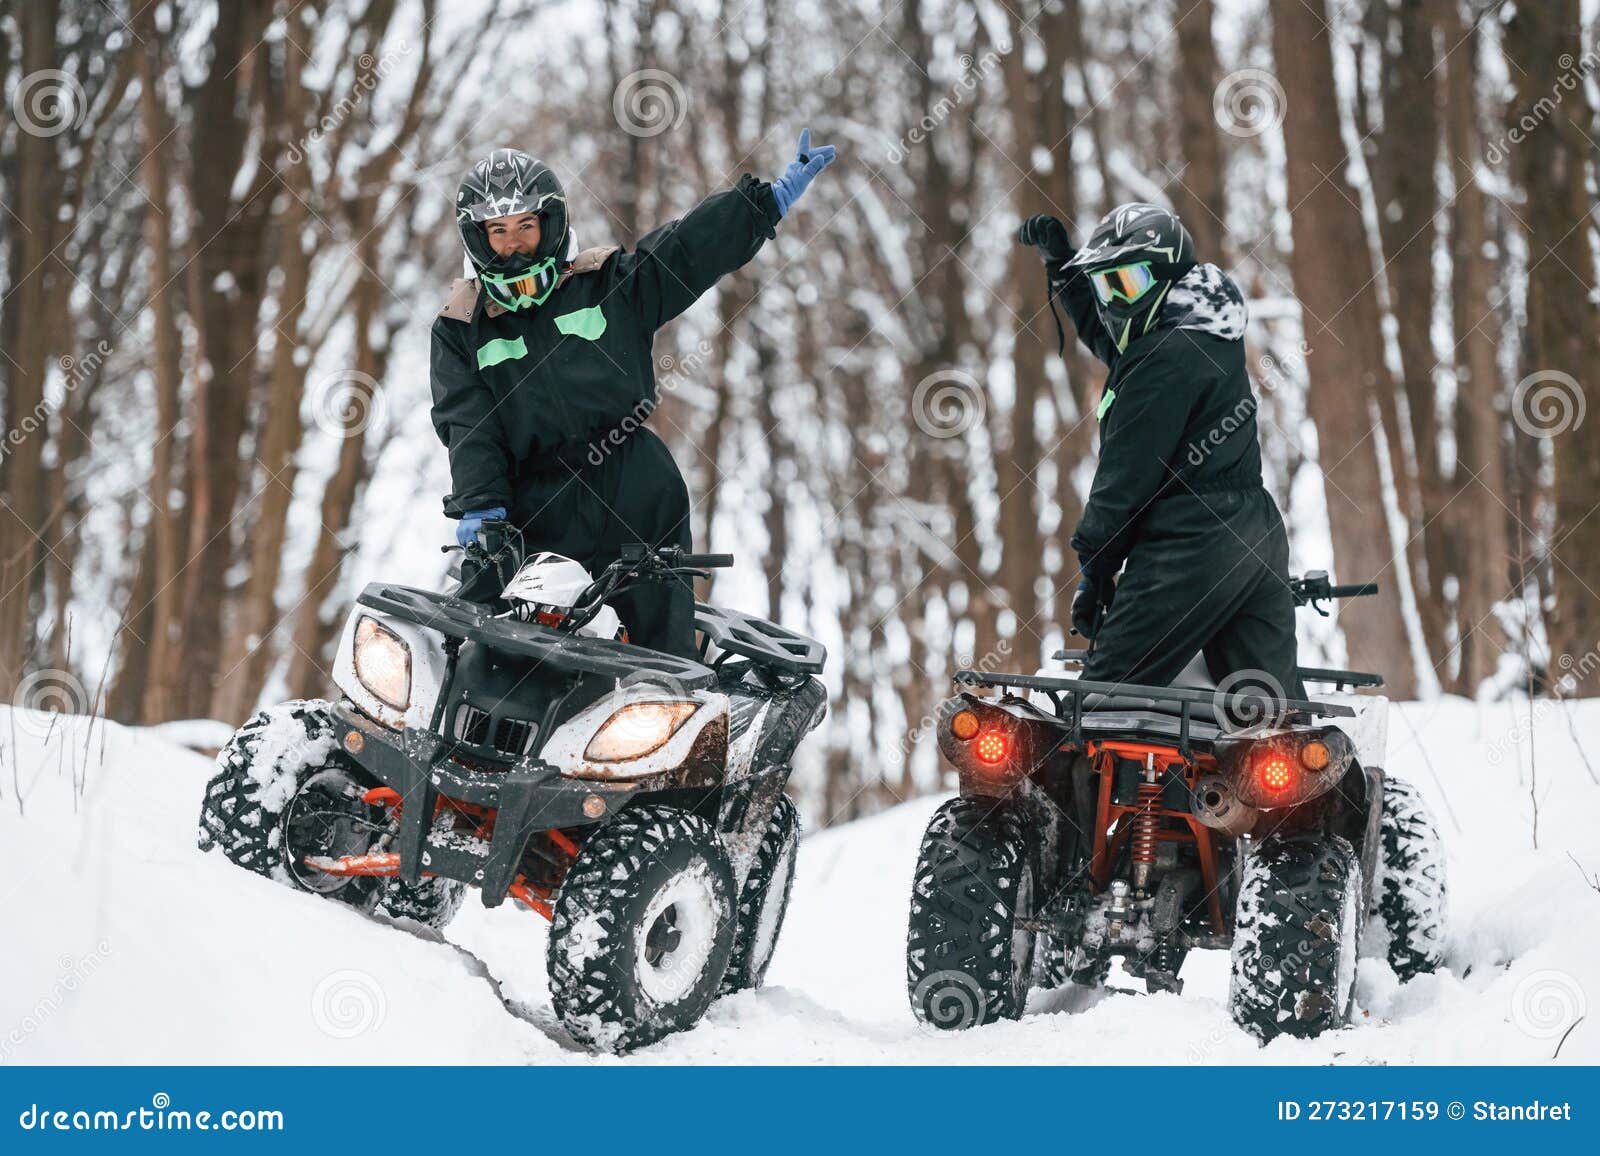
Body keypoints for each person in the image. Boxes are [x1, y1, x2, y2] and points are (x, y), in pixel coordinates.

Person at [431, 132, 837, 656]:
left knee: (658, 654)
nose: (513, 244)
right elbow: (468, 424)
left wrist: (764, 204)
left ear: (550, 225)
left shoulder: (607, 285)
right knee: (503, 652)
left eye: (526, 226)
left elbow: (685, 252)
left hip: (635, 487)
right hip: (531, 507)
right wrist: (483, 508)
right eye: (498, 230)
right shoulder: (460, 328)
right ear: (478, 238)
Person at [1017, 202, 1303, 699]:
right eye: (1109, 285)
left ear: (1167, 277)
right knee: (1269, 717)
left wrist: (1095, 570)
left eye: (1127, 283)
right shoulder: (1204, 331)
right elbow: (1116, 345)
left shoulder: (1163, 359)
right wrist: (1063, 270)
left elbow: (1124, 481)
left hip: (1191, 543)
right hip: (1257, 534)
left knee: (1102, 705)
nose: (1114, 301)